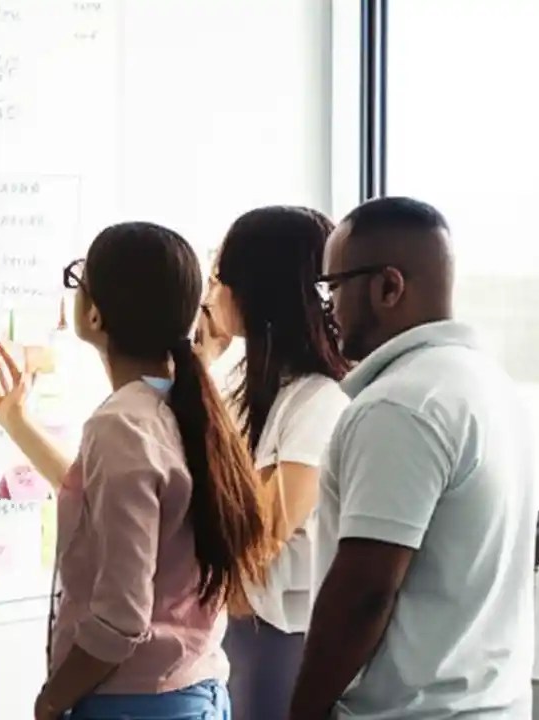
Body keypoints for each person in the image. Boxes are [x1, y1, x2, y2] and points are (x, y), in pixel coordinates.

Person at [0, 221, 271, 720]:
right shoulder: (182, 408)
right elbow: (100, 500)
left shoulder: (121, 425)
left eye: (79, 278)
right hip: (191, 688)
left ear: (95, 313)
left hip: (134, 702)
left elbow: (121, 618)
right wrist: (18, 423)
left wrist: (52, 699)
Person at [291, 197, 537, 719]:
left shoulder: (401, 405)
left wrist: (302, 713)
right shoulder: (487, 384)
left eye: (333, 287)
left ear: (388, 287)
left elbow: (365, 593)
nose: (328, 309)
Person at [196, 206, 351, 719]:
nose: (208, 294)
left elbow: (256, 537)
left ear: (257, 290)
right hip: (244, 629)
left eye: (218, 276)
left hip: (282, 638)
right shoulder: (255, 390)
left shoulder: (318, 401)